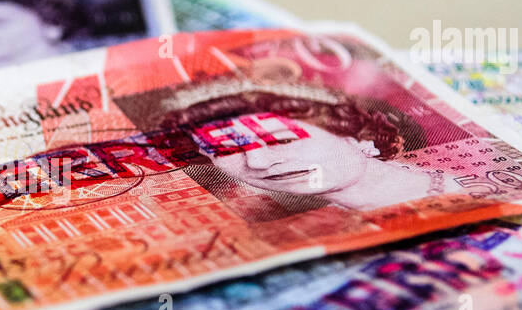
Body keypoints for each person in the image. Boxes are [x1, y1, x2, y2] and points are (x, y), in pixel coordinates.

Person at [157, 82, 456, 212]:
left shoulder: (463, 188)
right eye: (223, 150)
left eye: (283, 139)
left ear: (355, 134)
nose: (257, 163)